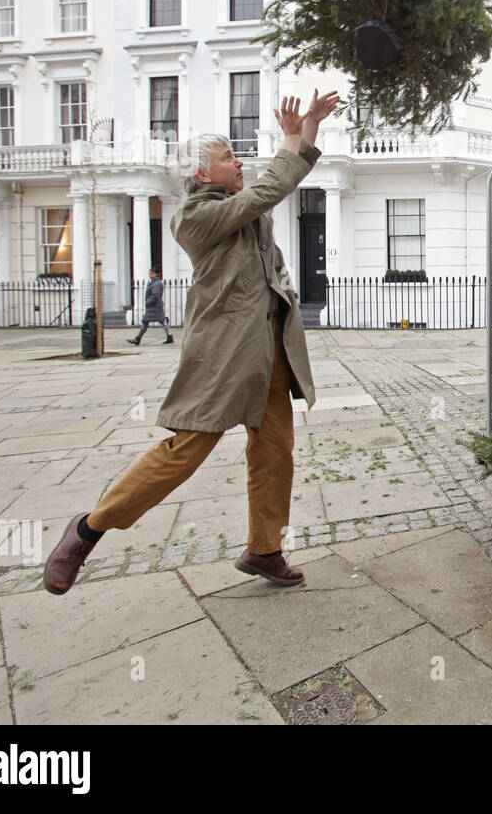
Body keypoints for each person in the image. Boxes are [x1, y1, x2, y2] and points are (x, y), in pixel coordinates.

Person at [44, 89, 341, 594]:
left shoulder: (236, 203)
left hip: (270, 350)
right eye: (227, 157)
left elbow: (285, 177)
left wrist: (309, 127)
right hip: (225, 354)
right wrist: (291, 137)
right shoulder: (197, 217)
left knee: (275, 452)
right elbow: (270, 190)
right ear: (203, 174)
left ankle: (264, 548)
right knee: (187, 448)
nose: (237, 160)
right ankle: (89, 528)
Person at [127, 267, 173, 345]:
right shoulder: (154, 283)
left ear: (157, 274)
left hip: (154, 306)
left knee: (159, 320)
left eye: (152, 273)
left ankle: (138, 339)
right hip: (153, 306)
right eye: (150, 273)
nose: (150, 275)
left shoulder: (157, 283)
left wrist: (148, 302)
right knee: (156, 321)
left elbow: (156, 295)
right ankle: (138, 338)